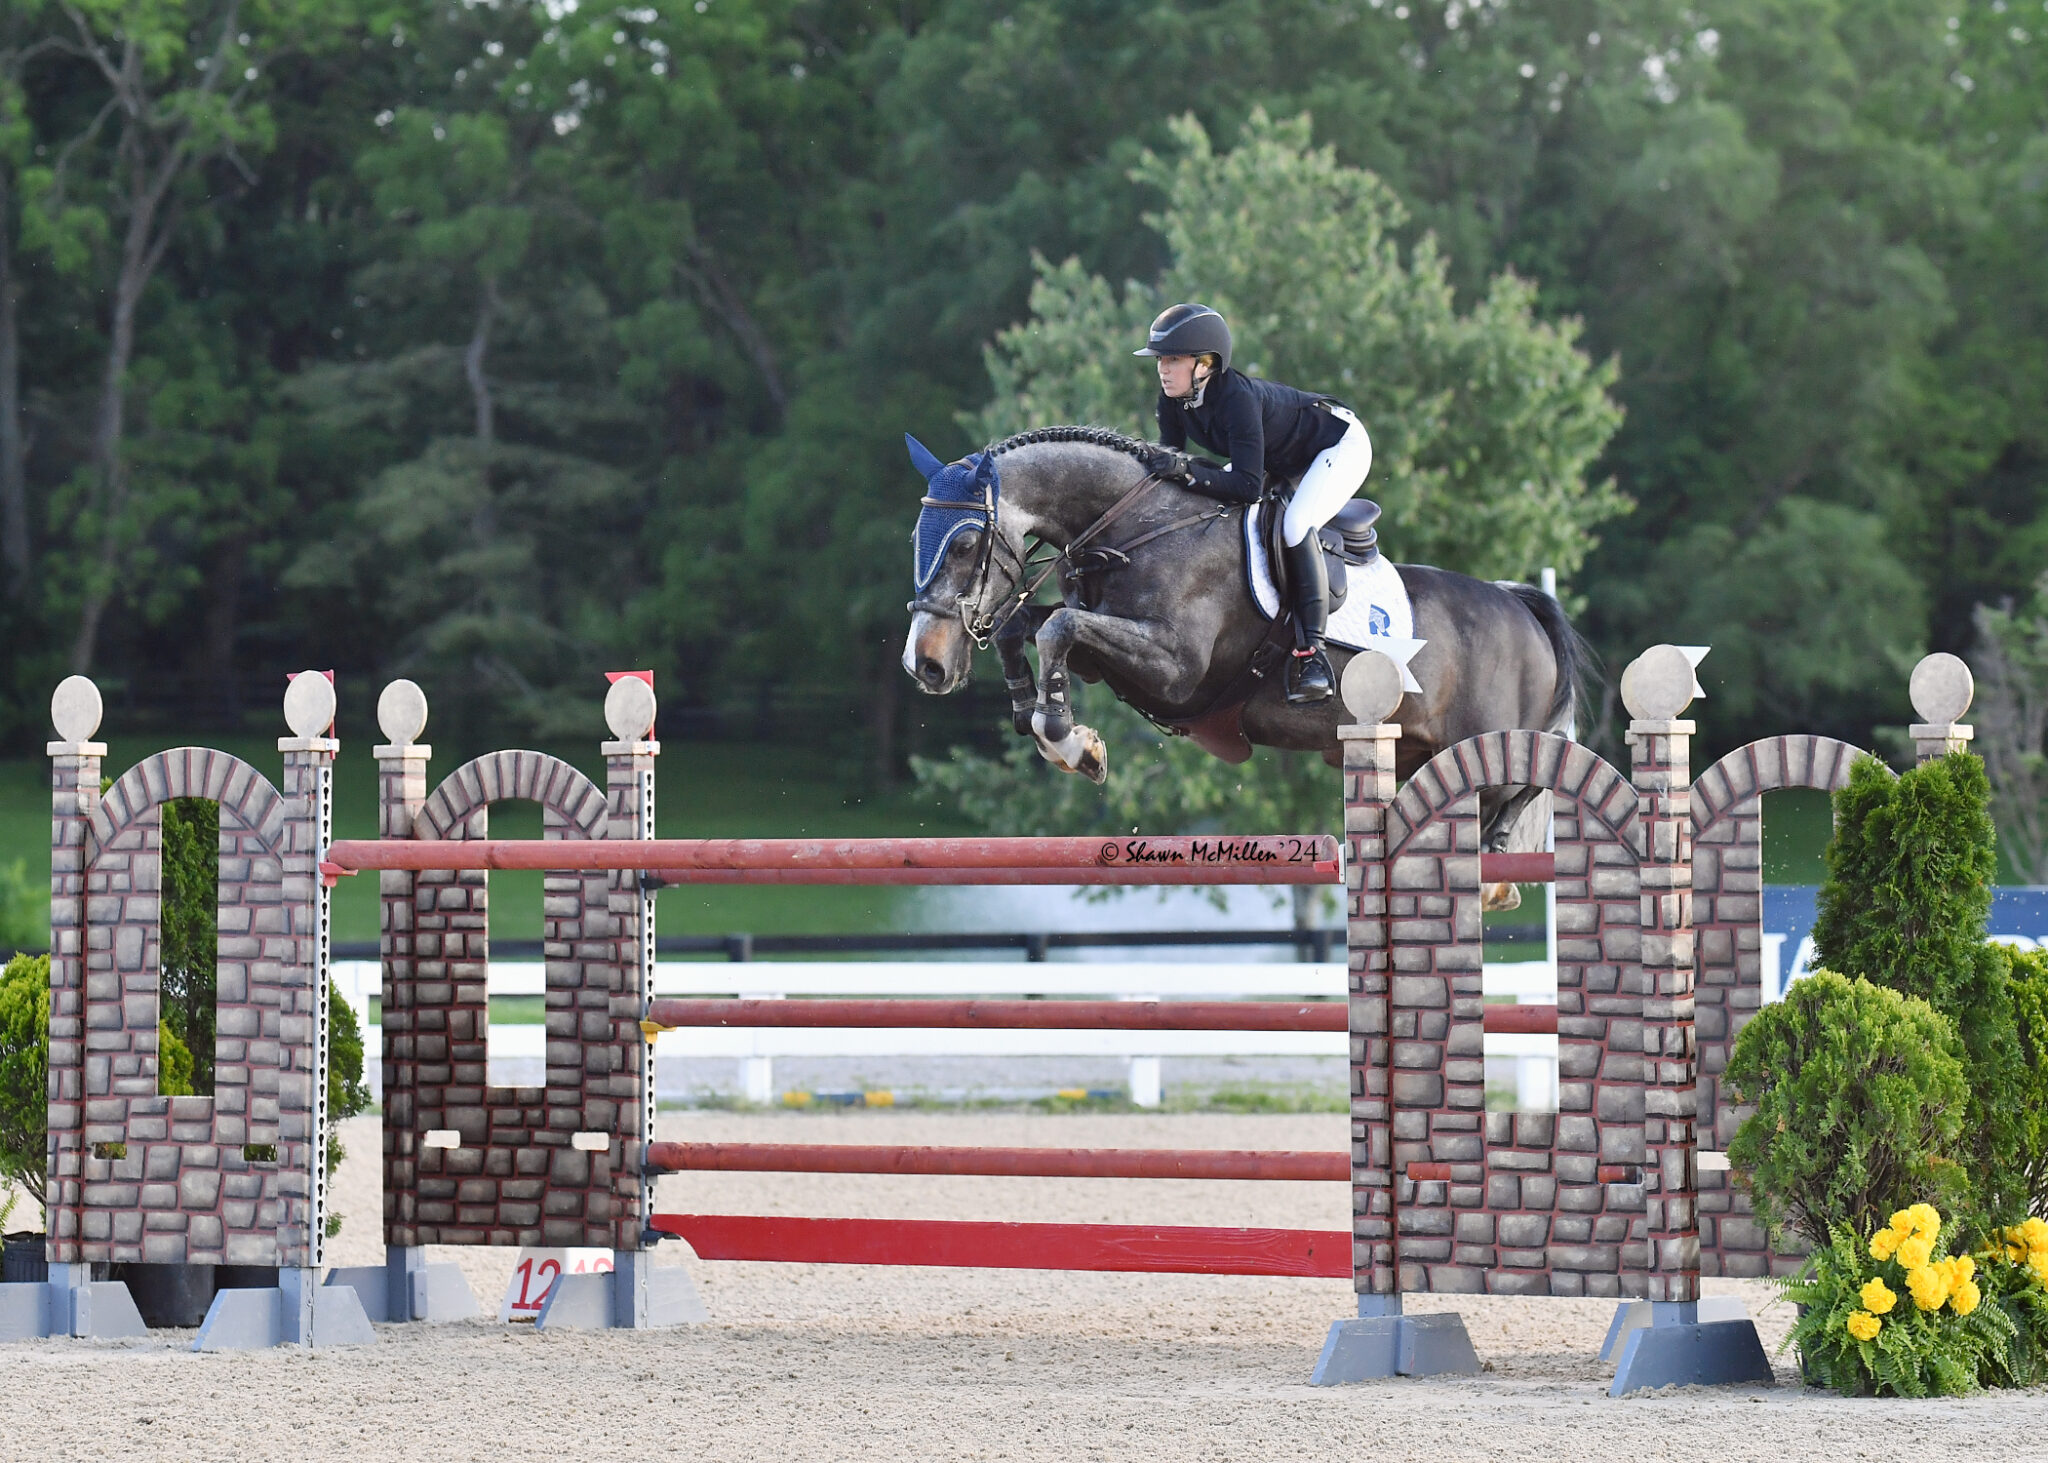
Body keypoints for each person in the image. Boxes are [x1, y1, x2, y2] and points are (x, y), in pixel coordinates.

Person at [1135, 302, 1373, 704]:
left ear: (1205, 364)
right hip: (1280, 458)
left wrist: (1187, 471)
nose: (1162, 369)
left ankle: (1313, 656)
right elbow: (1171, 469)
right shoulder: (1172, 401)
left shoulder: (1237, 400)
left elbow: (1247, 487)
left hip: (1337, 445)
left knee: (1296, 525)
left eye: (1173, 359)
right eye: (1160, 359)